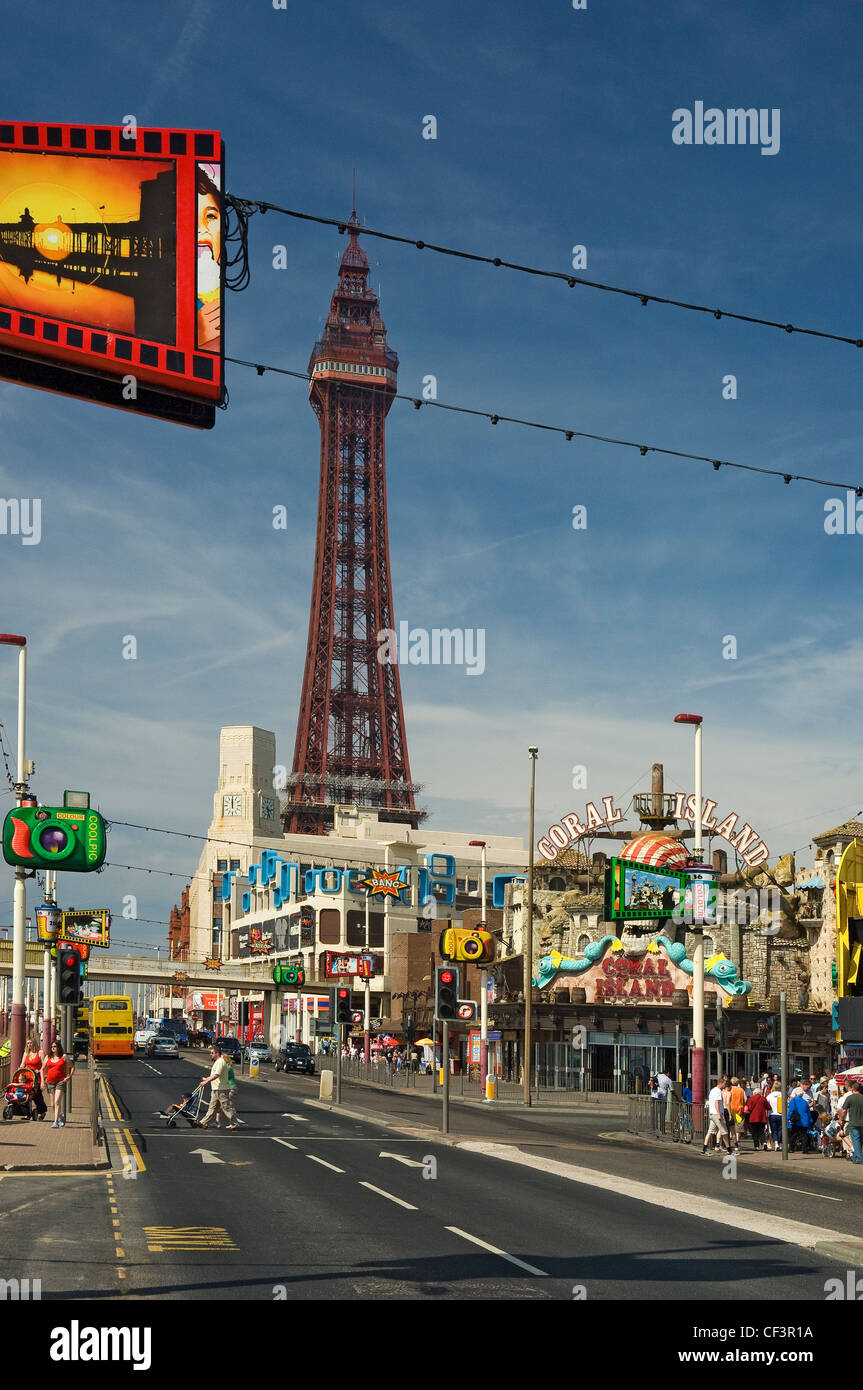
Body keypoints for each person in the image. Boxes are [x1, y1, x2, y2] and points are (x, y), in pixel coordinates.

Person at [198, 1044, 239, 1130]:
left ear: (217, 1053)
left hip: (222, 1089)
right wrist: (207, 1079)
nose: (211, 1054)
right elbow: (214, 1075)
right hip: (216, 1089)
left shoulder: (220, 1061)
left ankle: (234, 1123)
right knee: (212, 1107)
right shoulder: (217, 1062)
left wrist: (206, 1081)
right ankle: (202, 1122)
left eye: (212, 1053)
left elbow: (217, 1075)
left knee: (226, 1107)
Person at [42, 1040, 74, 1128]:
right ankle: (61, 1115)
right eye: (52, 1046)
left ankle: (55, 1122)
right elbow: (42, 1069)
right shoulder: (48, 1057)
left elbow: (72, 1067)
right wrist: (42, 1081)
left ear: (58, 1047)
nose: (53, 1048)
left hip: (60, 1081)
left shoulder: (64, 1057)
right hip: (50, 1082)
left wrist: (69, 1077)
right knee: (52, 1105)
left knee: (57, 1102)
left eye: (55, 1046)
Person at [703, 1077, 730, 1156]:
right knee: (724, 1132)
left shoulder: (712, 1090)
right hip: (716, 1114)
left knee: (710, 1131)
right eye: (724, 1084)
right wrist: (719, 1114)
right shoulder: (718, 1091)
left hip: (712, 1113)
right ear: (721, 1083)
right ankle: (729, 1150)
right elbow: (716, 1103)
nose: (725, 1085)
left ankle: (704, 1149)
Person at [837, 1081, 863, 1164]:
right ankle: (855, 1158)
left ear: (852, 1089)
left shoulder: (850, 1098)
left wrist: (841, 1119)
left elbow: (843, 1110)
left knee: (856, 1141)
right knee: (860, 1141)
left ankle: (859, 1159)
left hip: (853, 1122)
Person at [22, 1034, 47, 1119]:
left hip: (37, 1077)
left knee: (37, 1095)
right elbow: (22, 1064)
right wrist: (19, 1070)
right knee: (26, 1095)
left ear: (34, 1043)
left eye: (30, 1043)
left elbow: (44, 1066)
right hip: (27, 1077)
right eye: (28, 1043)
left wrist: (40, 1072)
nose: (29, 1045)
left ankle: (42, 1111)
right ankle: (27, 1113)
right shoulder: (26, 1053)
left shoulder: (40, 1053)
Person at [727, 1076, 746, 1152]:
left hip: (731, 1109)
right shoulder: (741, 1090)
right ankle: (737, 1142)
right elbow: (745, 1099)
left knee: (731, 1126)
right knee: (739, 1127)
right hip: (739, 1109)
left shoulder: (730, 1089)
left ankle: (731, 1137)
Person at [654, 1068, 673, 1134]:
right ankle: (662, 1130)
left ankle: (654, 1129)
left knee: (655, 1113)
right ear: (667, 1073)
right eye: (669, 1074)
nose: (670, 1075)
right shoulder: (668, 1079)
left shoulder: (657, 1075)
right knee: (662, 1114)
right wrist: (677, 1097)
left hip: (655, 1095)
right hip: (663, 1097)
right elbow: (672, 1090)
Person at [766, 1082, 783, 1151]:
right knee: (780, 1130)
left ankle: (776, 1143)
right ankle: (778, 1143)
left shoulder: (769, 1096)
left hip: (772, 1114)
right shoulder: (782, 1095)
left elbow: (766, 1106)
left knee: (774, 1130)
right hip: (781, 1114)